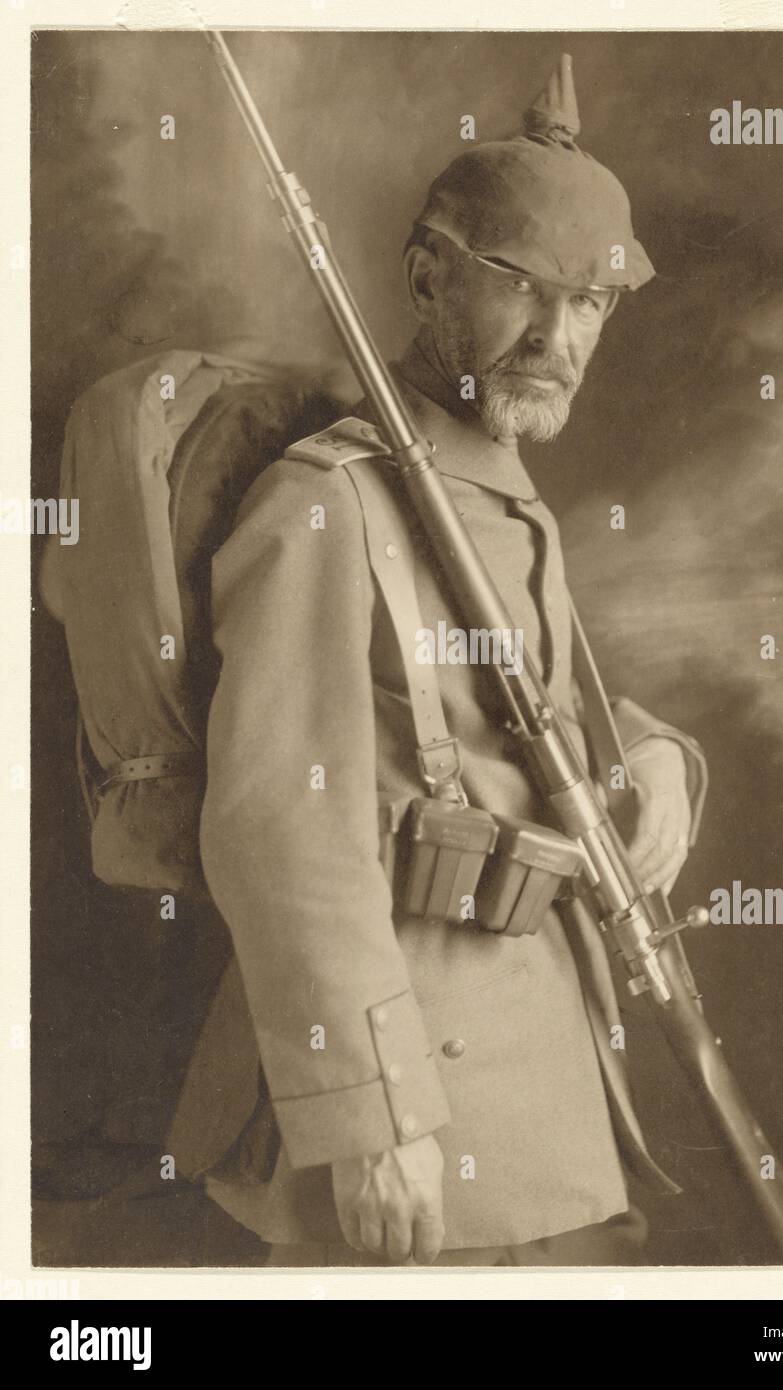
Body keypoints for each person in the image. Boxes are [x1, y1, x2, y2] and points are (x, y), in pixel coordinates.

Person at [167, 53, 707, 1267]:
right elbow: (277, 826)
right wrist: (369, 1113)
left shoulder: (497, 488)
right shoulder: (329, 501)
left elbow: (514, 702)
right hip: (412, 1098)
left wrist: (659, 756)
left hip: (542, 1077)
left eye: (594, 304)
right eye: (524, 289)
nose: (560, 337)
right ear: (426, 279)